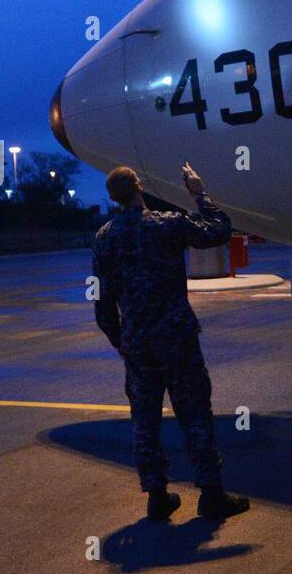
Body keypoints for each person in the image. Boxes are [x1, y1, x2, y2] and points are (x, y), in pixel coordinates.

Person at [92, 162, 249, 522]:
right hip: (176, 338)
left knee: (144, 420)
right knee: (194, 413)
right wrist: (199, 193)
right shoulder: (166, 224)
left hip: (138, 343)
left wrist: (120, 339)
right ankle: (210, 494)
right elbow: (219, 230)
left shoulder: (105, 237)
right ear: (138, 187)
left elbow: (102, 300)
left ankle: (157, 497)